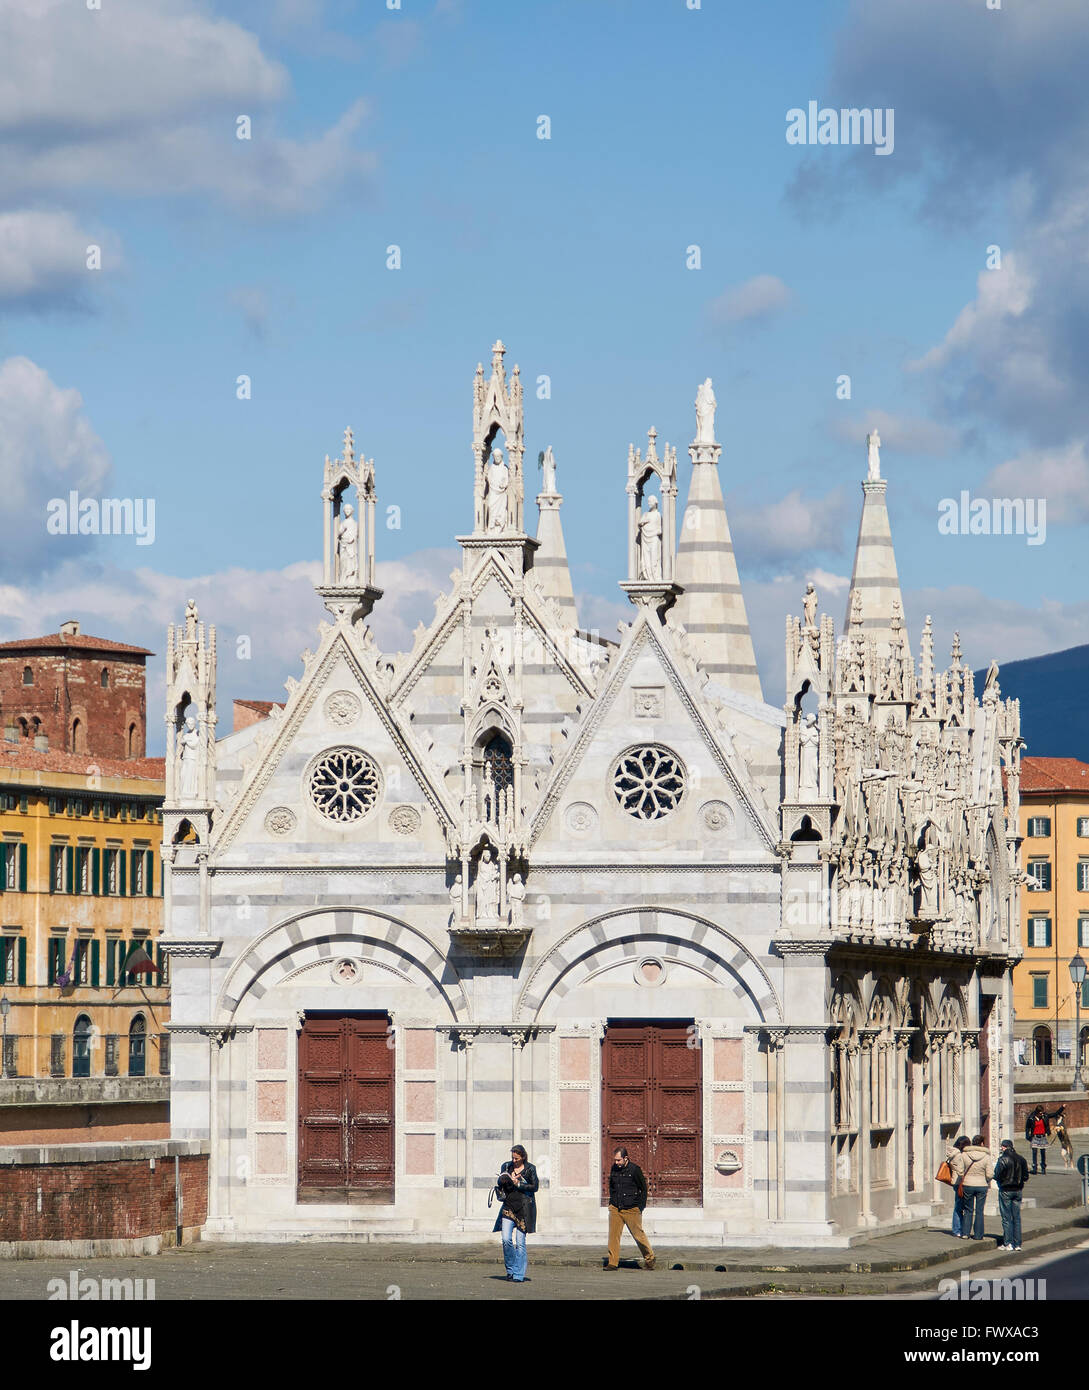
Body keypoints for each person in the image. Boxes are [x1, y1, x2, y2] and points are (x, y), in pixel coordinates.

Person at [492, 1144, 538, 1283]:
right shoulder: (506, 1166)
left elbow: (534, 1187)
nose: (514, 1160)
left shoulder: (530, 1168)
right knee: (506, 1239)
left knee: (520, 1242)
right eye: (512, 1157)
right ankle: (510, 1269)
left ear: (523, 1157)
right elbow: (501, 1183)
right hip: (508, 1206)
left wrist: (518, 1183)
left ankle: (518, 1274)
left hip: (523, 1209)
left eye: (516, 1158)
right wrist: (504, 1180)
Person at [605, 1147, 655, 1271]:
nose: (616, 1163)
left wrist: (640, 1207)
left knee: (638, 1235)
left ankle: (650, 1259)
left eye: (619, 1160)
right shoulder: (614, 1168)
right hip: (616, 1208)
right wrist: (611, 1203)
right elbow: (612, 1186)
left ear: (626, 1158)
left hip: (632, 1208)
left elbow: (643, 1189)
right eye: (615, 1160)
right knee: (613, 1236)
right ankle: (612, 1262)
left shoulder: (635, 1170)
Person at [951, 1133, 991, 1241]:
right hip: (981, 1185)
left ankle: (965, 1233)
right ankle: (978, 1235)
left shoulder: (964, 1155)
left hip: (967, 1185)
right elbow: (990, 1174)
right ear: (982, 1143)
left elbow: (959, 1171)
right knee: (979, 1210)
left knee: (968, 1210)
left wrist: (966, 1176)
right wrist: (985, 1179)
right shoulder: (986, 1157)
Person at [994, 1138, 1029, 1252]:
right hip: (1018, 1190)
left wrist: (1002, 1181)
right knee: (1017, 1218)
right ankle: (1017, 1243)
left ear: (1004, 1147)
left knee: (1006, 1218)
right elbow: (1025, 1177)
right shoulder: (1021, 1159)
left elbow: (996, 1174)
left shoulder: (1002, 1159)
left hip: (1005, 1190)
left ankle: (1008, 1243)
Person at [946, 1136, 971, 1238]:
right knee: (959, 1206)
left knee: (959, 1205)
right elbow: (961, 1170)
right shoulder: (958, 1155)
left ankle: (958, 1229)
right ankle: (957, 1229)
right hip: (959, 1182)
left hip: (956, 1182)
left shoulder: (953, 1152)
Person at [1024, 1104, 1061, 1174]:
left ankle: (1043, 1168)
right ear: (1037, 1112)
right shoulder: (1031, 1118)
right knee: (1034, 1153)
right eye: (1040, 1113)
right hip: (1035, 1137)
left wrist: (1062, 1107)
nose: (1042, 1114)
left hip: (1042, 1136)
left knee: (1043, 1153)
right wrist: (1027, 1136)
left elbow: (1054, 1114)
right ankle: (1034, 1168)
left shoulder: (1045, 1116)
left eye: (1042, 1112)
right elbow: (1027, 1127)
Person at [1052, 1104, 1075, 1169]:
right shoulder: (1057, 1124)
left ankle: (1071, 1162)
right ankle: (1066, 1161)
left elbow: (1062, 1129)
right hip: (1062, 1143)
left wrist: (1059, 1128)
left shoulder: (1062, 1124)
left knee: (1070, 1154)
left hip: (1067, 1143)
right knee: (1062, 1154)